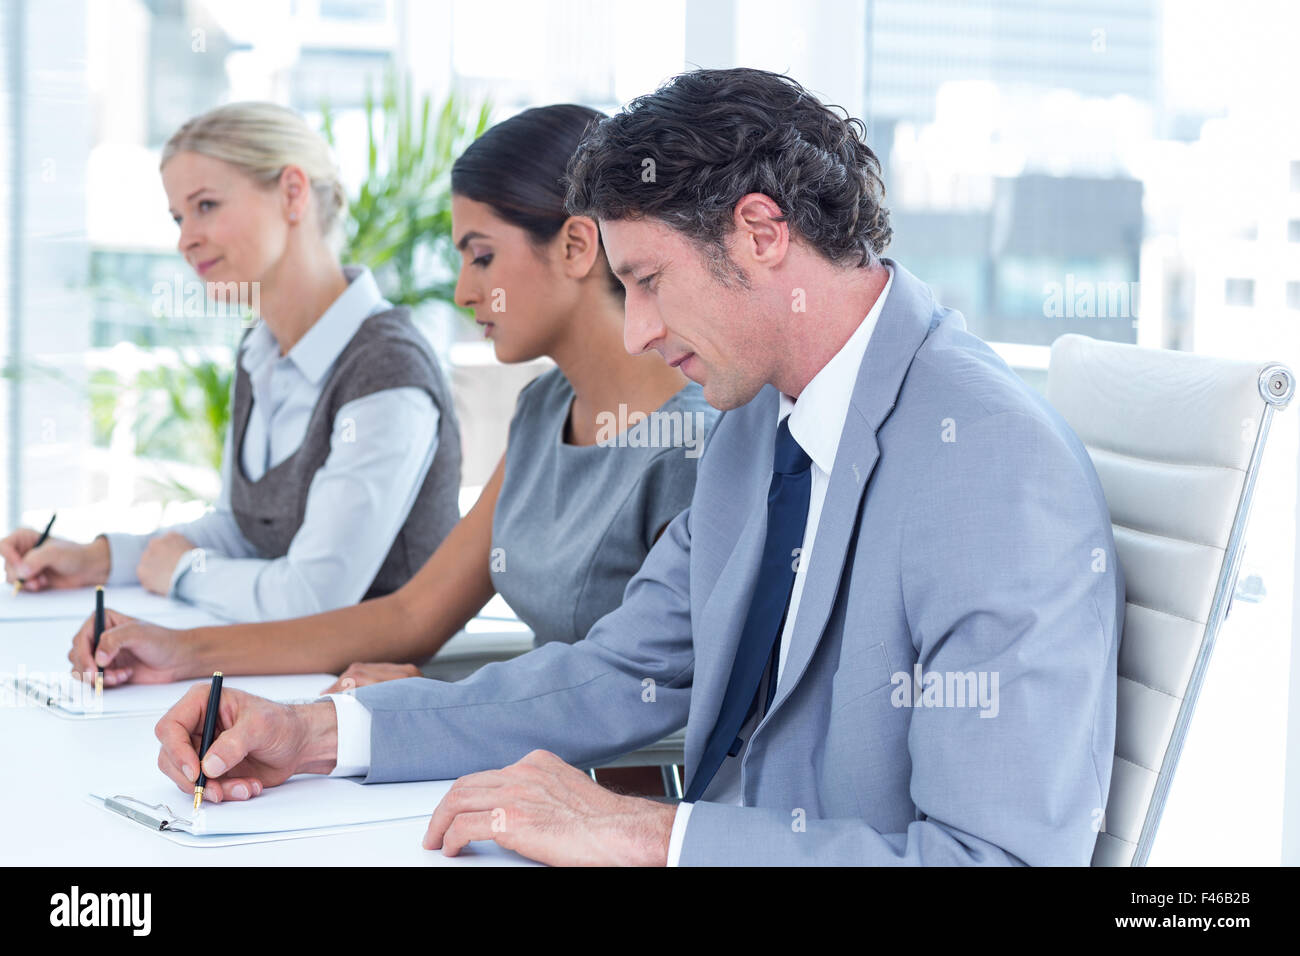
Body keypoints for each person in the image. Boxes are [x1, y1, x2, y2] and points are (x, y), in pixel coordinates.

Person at [153, 69, 1124, 866]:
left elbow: (996, 859)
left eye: (649, 281)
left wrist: (647, 833)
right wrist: (320, 734)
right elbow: (622, 673)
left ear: (760, 230)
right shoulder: (760, 425)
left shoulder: (992, 462)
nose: (640, 330)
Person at [68, 106, 716, 702]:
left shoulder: (691, 446)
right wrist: (181, 652)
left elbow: (634, 690)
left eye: (482, 257)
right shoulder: (545, 410)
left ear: (576, 247)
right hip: (531, 769)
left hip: (598, 793)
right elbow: (412, 615)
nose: (463, 292)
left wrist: (421, 706)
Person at [1, 102, 462, 623]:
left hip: (364, 690)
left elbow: (314, 598)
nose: (185, 239)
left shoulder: (386, 369)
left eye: (206, 206)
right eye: (179, 217)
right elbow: (242, 530)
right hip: (277, 677)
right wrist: (96, 560)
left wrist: (183, 571)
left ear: (293, 193)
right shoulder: (258, 353)